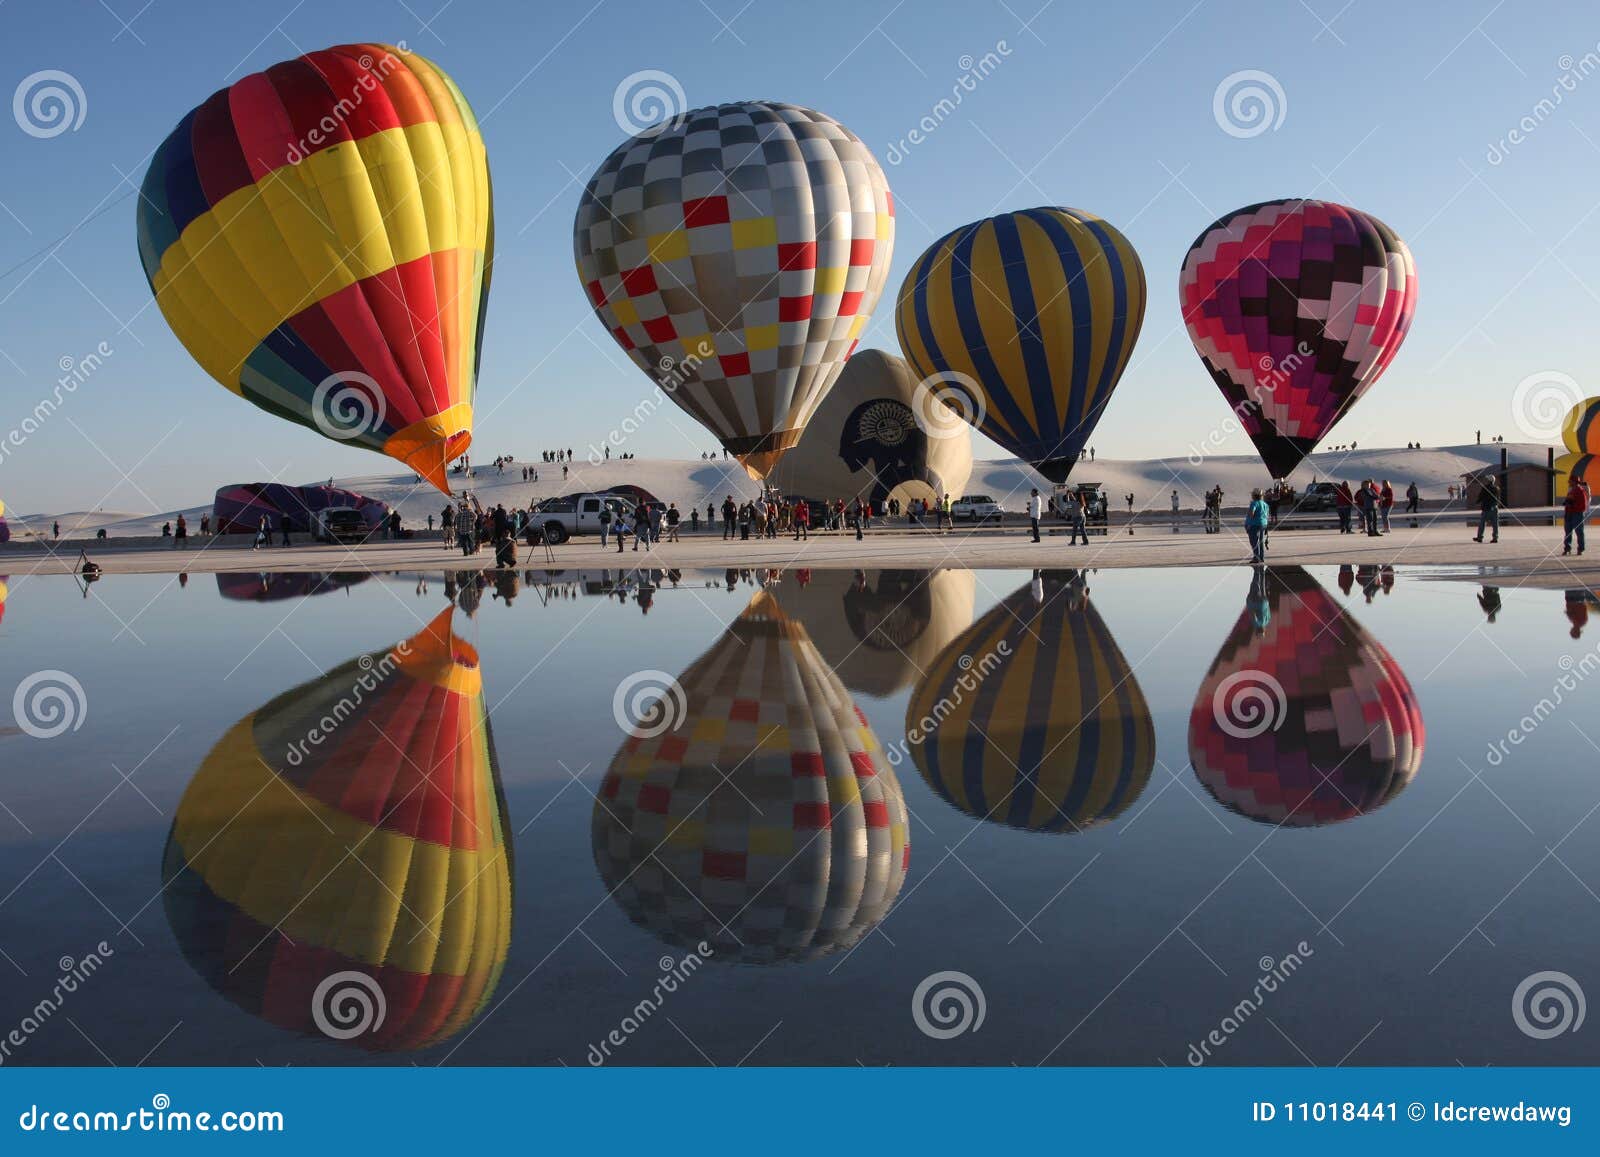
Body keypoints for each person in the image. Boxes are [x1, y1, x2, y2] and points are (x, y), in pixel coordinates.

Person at [1562, 475, 1590, 556]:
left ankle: (1580, 549)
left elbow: (1583, 506)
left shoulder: (1580, 491)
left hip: (1577, 514)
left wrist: (1573, 505)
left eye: (1570, 481)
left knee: (1579, 532)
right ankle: (1567, 548)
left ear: (1574, 482)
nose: (1569, 483)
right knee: (1568, 532)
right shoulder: (1571, 490)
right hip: (1569, 513)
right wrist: (1567, 503)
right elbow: (1568, 501)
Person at [1245, 487, 1270, 563]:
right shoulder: (1265, 504)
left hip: (1254, 524)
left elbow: (1252, 513)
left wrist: (1249, 515)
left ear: (1254, 496)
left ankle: (1256, 557)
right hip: (1263, 524)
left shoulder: (1254, 503)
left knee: (1254, 541)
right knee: (1261, 541)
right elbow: (1267, 515)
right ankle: (1261, 557)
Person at [1474, 476, 1501, 544]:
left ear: (1489, 480)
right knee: (1495, 524)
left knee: (1482, 523)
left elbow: (1481, 496)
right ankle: (1495, 538)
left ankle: (1480, 537)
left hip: (1486, 508)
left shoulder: (1485, 488)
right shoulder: (1497, 488)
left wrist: (1477, 502)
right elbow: (1498, 499)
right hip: (1494, 508)